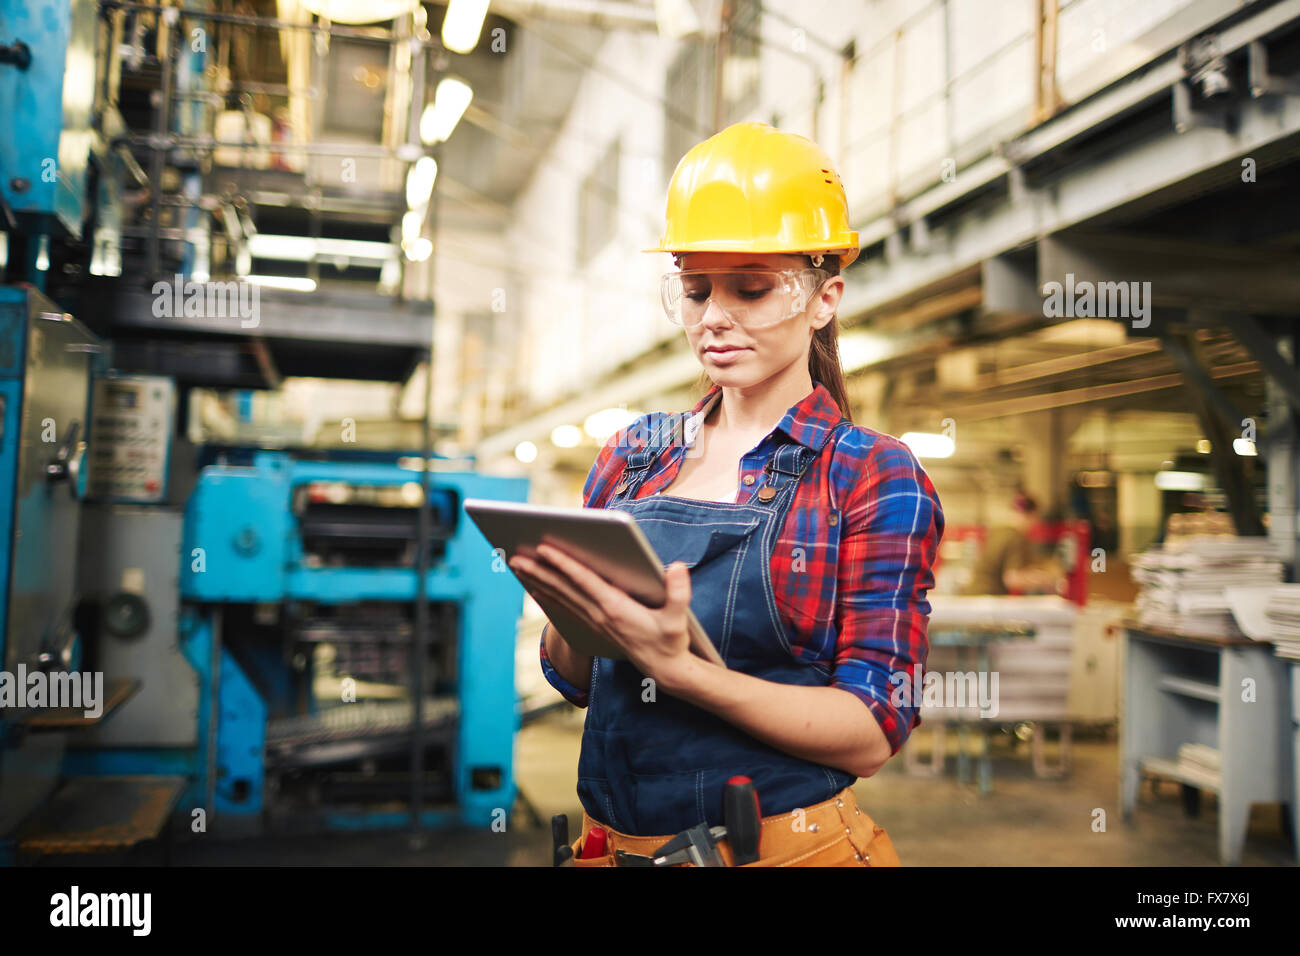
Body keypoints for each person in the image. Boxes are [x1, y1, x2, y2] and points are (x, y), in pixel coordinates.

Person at [509, 122, 944, 867]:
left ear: (823, 297)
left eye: (750, 287)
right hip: (609, 850)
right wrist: (570, 614)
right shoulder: (631, 457)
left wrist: (689, 676)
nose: (714, 316)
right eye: (695, 288)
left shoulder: (870, 476)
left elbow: (872, 729)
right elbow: (575, 681)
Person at [964, 492, 1060, 595]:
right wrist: (1043, 580)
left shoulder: (998, 530)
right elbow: (1012, 578)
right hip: (988, 597)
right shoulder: (1016, 536)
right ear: (1032, 515)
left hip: (973, 594)